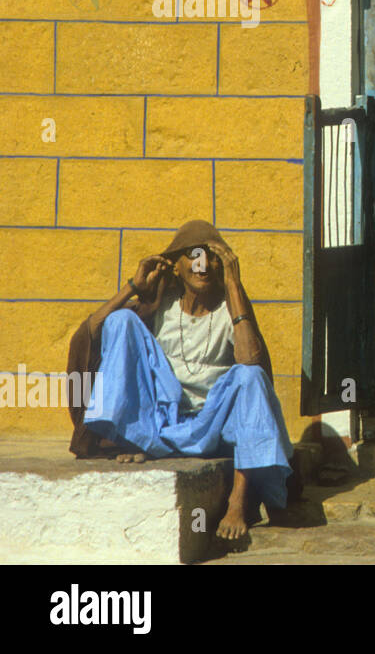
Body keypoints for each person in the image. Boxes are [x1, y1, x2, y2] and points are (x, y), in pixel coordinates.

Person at [66, 219, 294, 543]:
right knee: (121, 320)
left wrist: (234, 286)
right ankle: (132, 438)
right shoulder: (162, 305)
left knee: (250, 375)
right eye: (193, 255)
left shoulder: (231, 308)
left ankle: (238, 501)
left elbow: (254, 362)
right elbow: (93, 331)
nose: (202, 265)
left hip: (211, 424)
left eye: (211, 257)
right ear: (177, 265)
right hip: (163, 419)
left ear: (221, 265)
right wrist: (133, 285)